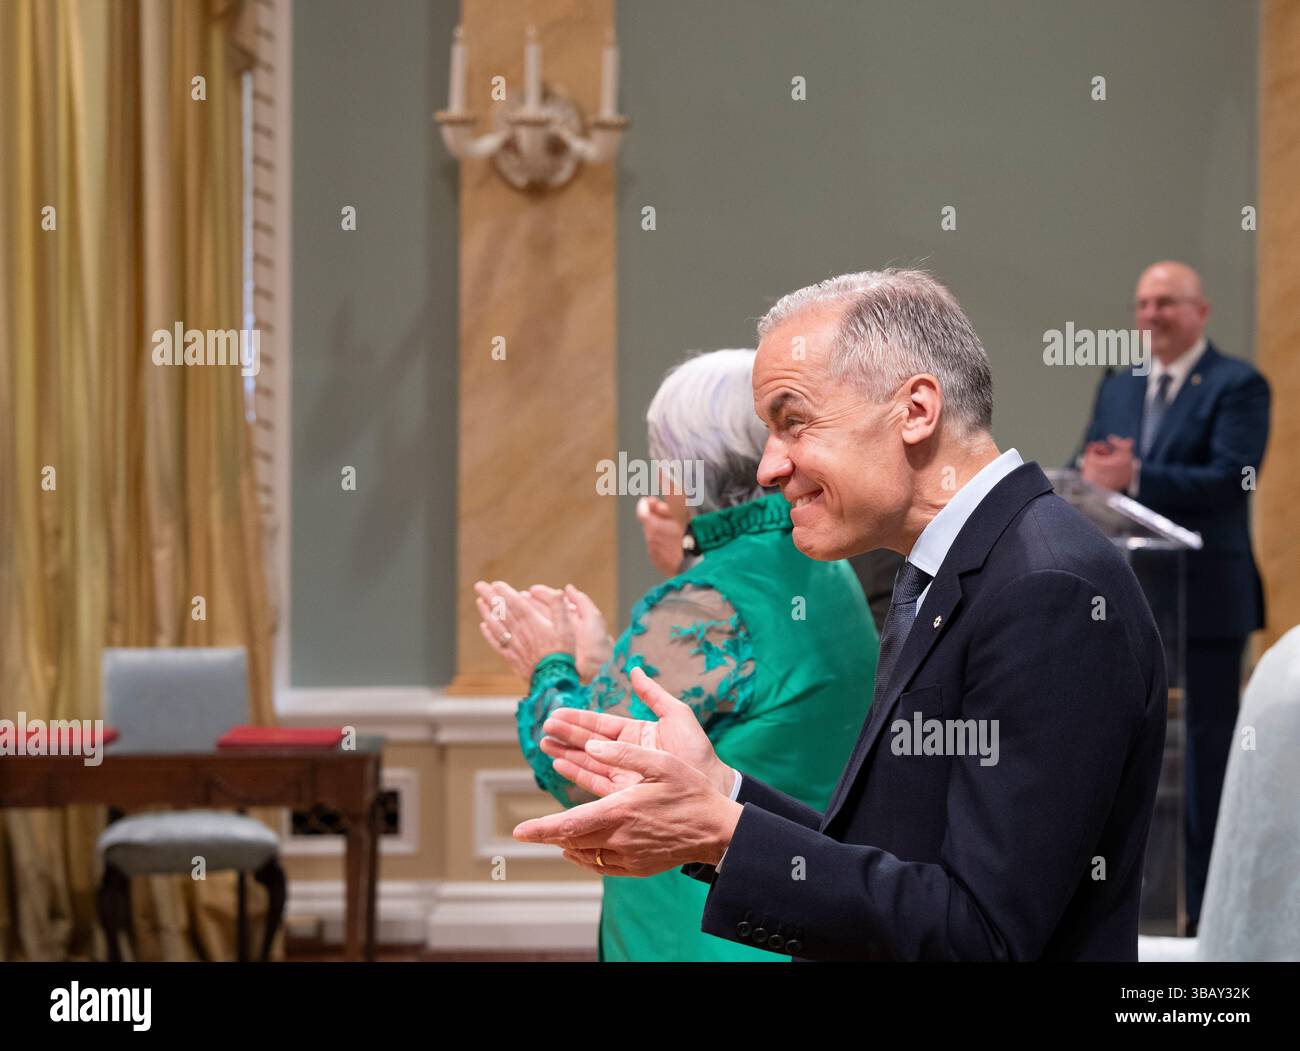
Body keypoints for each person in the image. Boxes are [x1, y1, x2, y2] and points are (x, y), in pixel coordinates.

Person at [515, 269, 1168, 961]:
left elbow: (983, 935)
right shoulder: (958, 568)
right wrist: (723, 791)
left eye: (793, 421)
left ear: (916, 410)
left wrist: (725, 834)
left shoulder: (1048, 589)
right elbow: (894, 849)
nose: (768, 467)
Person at [476, 348, 878, 961]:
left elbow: (589, 780)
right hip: (801, 911)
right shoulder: (820, 561)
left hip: (708, 931)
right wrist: (595, 670)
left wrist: (547, 664)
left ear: (686, 469)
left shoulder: (710, 599)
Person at [1078, 261, 1270, 932]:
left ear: (1200, 311)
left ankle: (1211, 915)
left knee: (1209, 762)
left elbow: (1231, 478)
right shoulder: (1119, 383)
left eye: (1165, 302)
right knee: (1129, 751)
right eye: (1142, 303)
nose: (1151, 314)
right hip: (1134, 600)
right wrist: (1092, 477)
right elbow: (1090, 469)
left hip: (1208, 604)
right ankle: (1130, 907)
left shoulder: (1237, 384)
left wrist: (1139, 475)